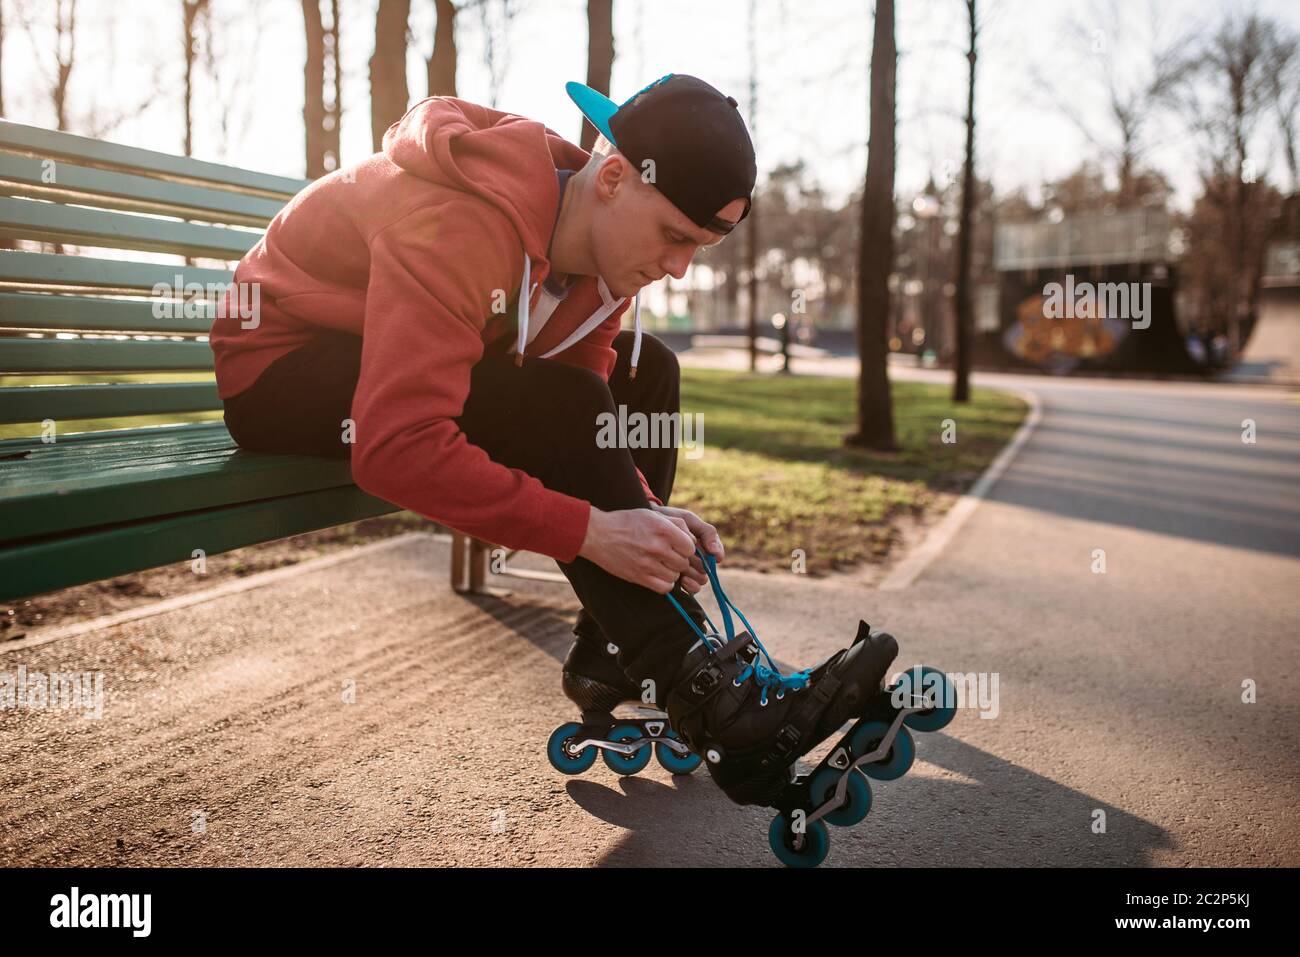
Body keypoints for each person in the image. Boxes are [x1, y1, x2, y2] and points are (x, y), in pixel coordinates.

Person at [210, 73, 897, 809]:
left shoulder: (604, 267)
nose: (676, 267)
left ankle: (615, 649)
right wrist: (593, 532)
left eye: (696, 247)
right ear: (610, 178)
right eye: (673, 236)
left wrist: (643, 512)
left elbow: (583, 421)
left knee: (648, 371)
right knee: (568, 400)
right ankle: (711, 697)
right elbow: (397, 445)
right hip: (287, 365)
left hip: (388, 352)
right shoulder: (465, 219)